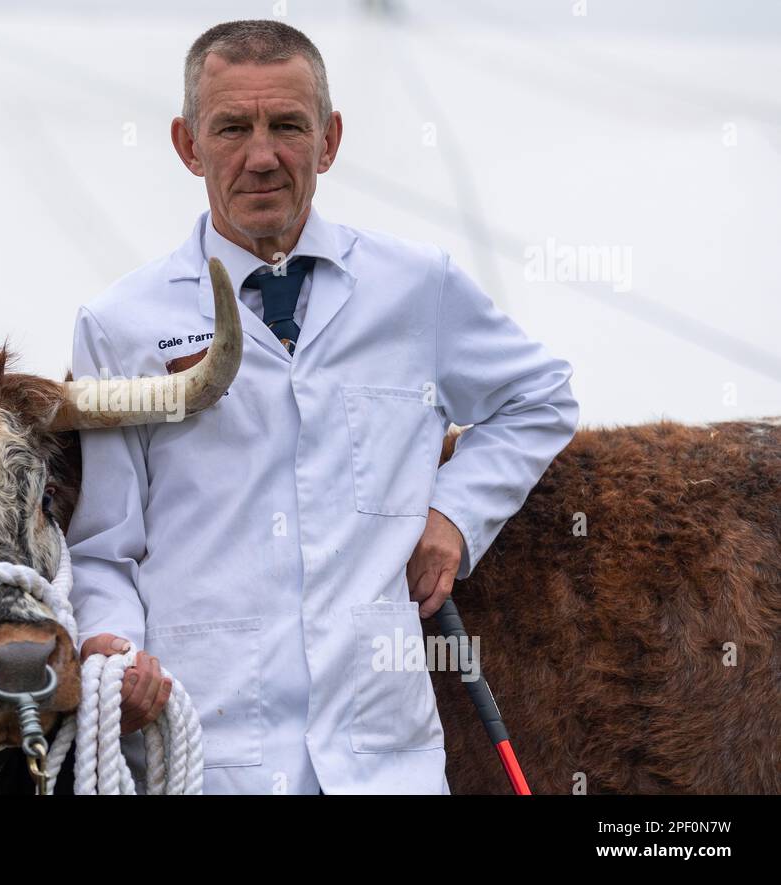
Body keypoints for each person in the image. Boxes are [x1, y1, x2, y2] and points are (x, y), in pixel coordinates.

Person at [65, 20, 580, 794]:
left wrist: (455, 517)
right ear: (187, 145)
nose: (262, 155)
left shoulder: (417, 288)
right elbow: (103, 545)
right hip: (204, 756)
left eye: (288, 127)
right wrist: (114, 649)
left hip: (383, 761)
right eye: (232, 128)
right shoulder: (119, 323)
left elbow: (540, 396)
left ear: (330, 140)